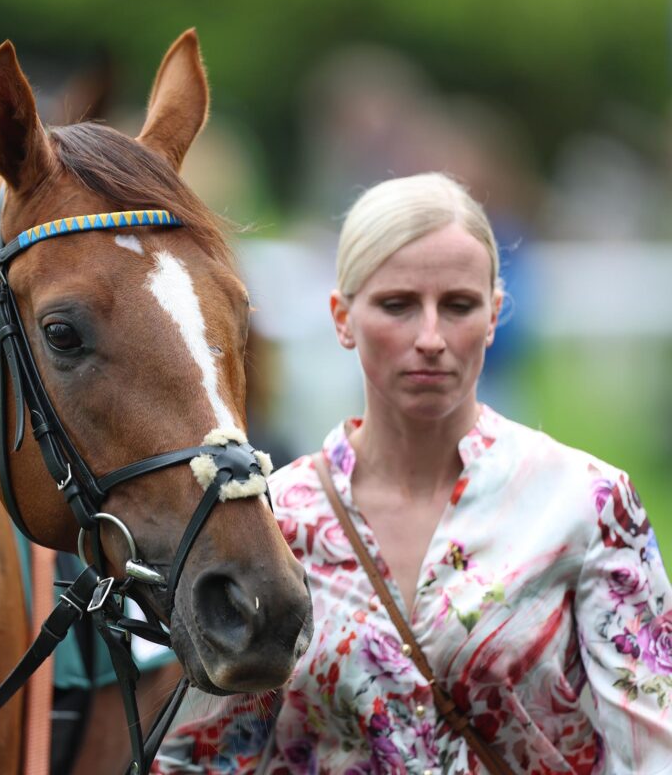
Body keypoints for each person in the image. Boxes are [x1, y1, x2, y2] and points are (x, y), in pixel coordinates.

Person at [154, 173, 672, 774]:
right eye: (397, 305)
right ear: (343, 318)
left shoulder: (587, 504)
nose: (430, 338)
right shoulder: (274, 524)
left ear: (494, 316)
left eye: (458, 305)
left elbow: (653, 750)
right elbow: (203, 758)